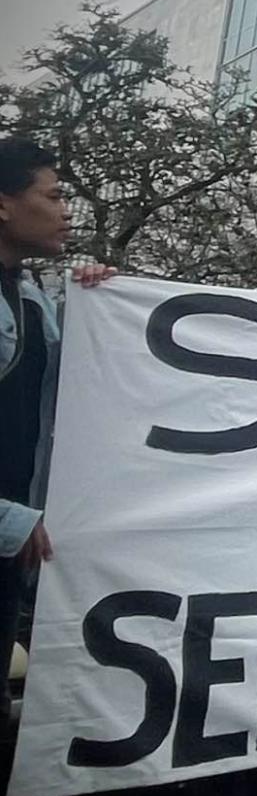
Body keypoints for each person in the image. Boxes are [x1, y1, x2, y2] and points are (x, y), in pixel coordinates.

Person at [0, 139, 116, 758]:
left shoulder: (30, 297)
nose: (67, 210)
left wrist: (104, 310)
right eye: (53, 195)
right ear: (4, 205)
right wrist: (11, 520)